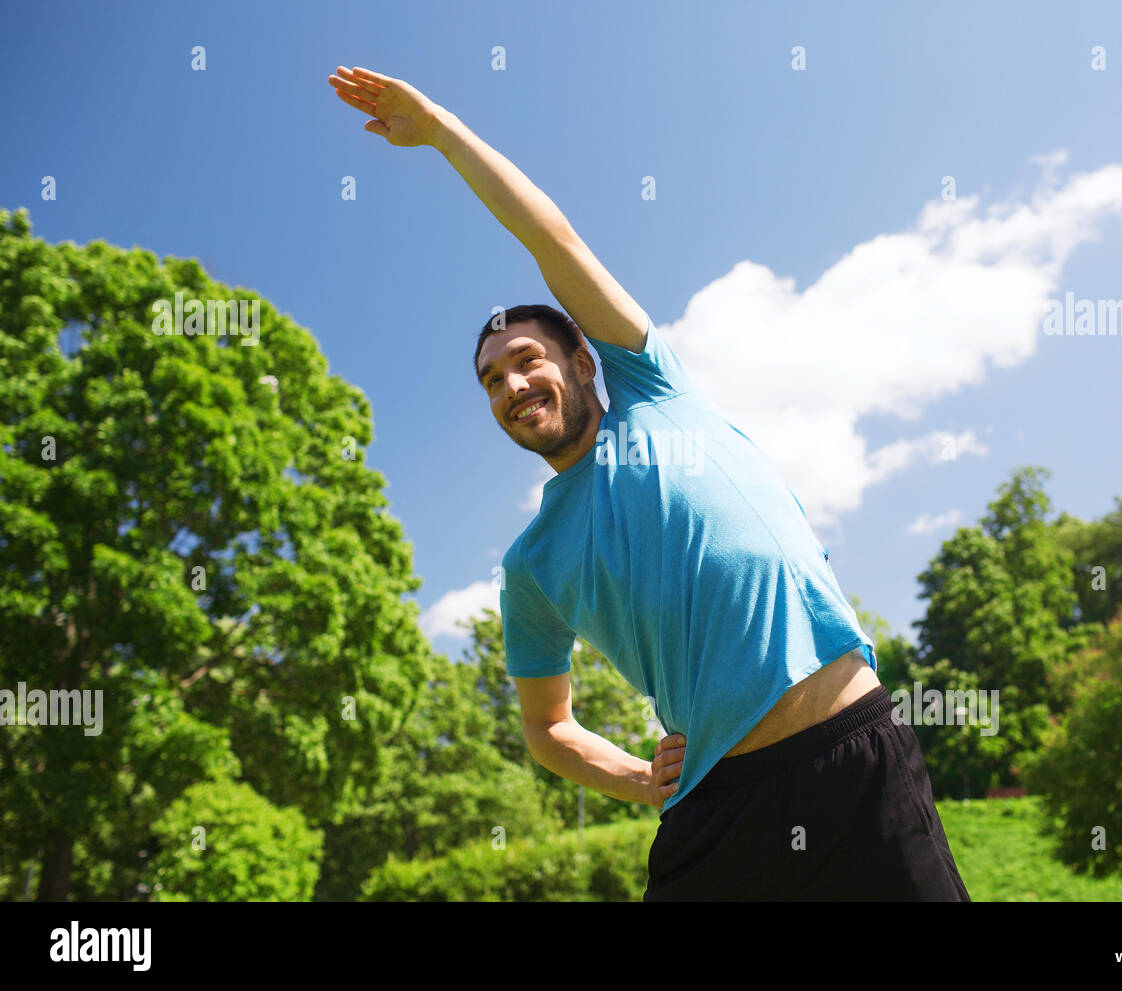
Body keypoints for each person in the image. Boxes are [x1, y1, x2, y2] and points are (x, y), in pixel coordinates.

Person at [327, 65, 971, 901]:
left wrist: (444, 132)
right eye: (492, 381)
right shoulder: (530, 567)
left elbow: (551, 239)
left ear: (582, 358)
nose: (512, 386)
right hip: (717, 816)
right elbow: (547, 728)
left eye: (526, 360)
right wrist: (635, 777)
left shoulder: (653, 390)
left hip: (853, 756)